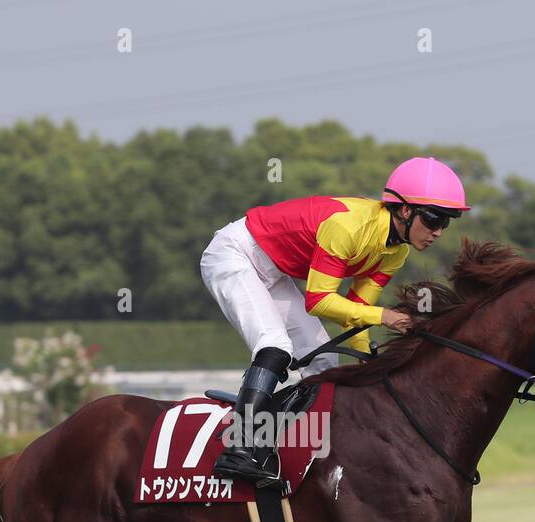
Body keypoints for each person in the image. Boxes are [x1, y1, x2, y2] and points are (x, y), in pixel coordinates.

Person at [200, 156, 469, 485]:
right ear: (404, 210)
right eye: (433, 219)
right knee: (275, 345)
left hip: (274, 271)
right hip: (234, 254)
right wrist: (385, 317)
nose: (438, 231)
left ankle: (305, 448)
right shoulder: (348, 227)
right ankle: (238, 448)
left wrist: (369, 362)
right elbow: (319, 301)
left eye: (446, 222)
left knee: (325, 361)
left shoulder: (397, 251)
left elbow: (356, 310)